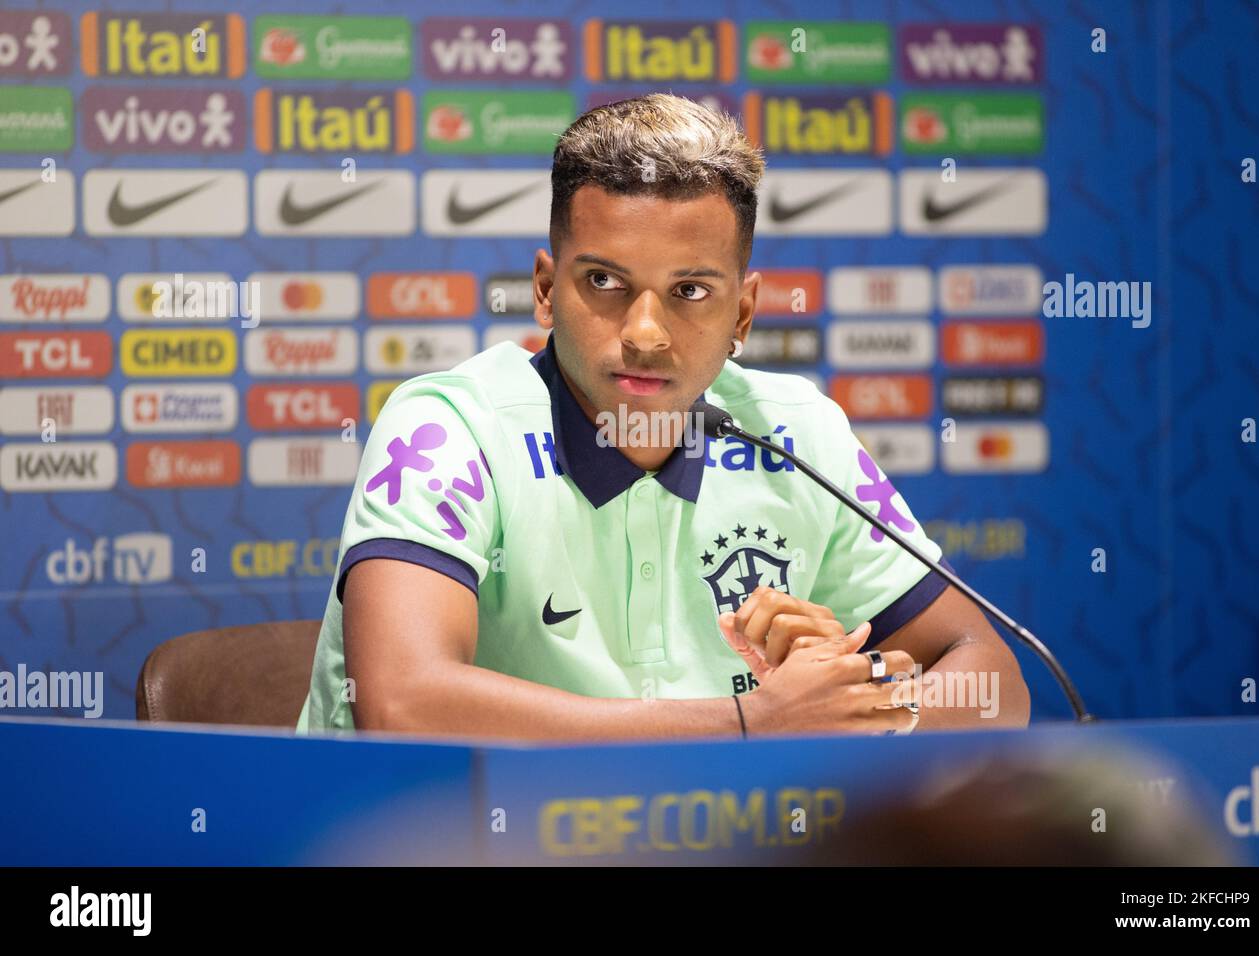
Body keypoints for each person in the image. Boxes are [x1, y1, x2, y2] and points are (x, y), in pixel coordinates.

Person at [296, 93, 1030, 739]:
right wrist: (754, 724)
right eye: (606, 281)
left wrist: (853, 697)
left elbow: (992, 680)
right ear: (546, 291)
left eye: (691, 291)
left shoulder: (796, 433)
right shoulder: (451, 428)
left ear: (743, 311)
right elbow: (402, 703)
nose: (646, 333)